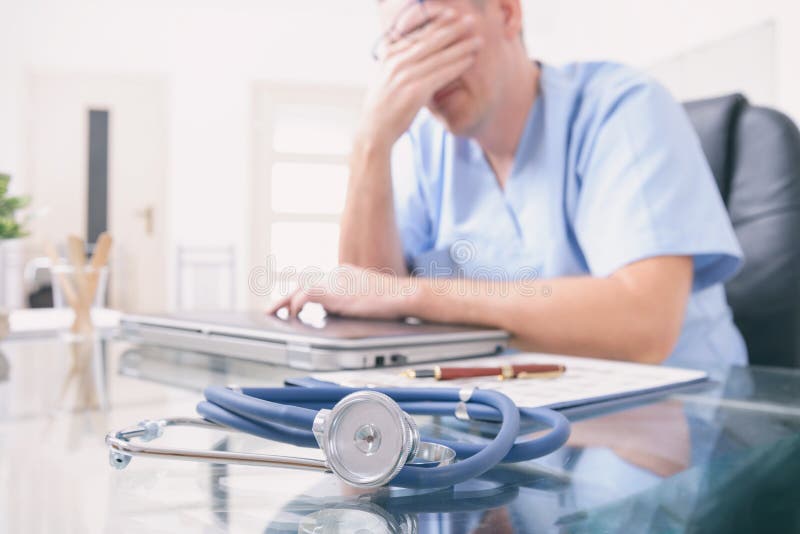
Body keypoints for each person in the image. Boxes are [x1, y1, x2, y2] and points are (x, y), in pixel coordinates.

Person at [270, 0, 747, 371]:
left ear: (506, 12)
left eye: (425, 31)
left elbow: (644, 326)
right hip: (511, 413)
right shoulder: (427, 150)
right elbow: (368, 313)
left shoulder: (621, 109)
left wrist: (411, 295)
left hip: (670, 425)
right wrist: (370, 145)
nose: (413, 66)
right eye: (394, 49)